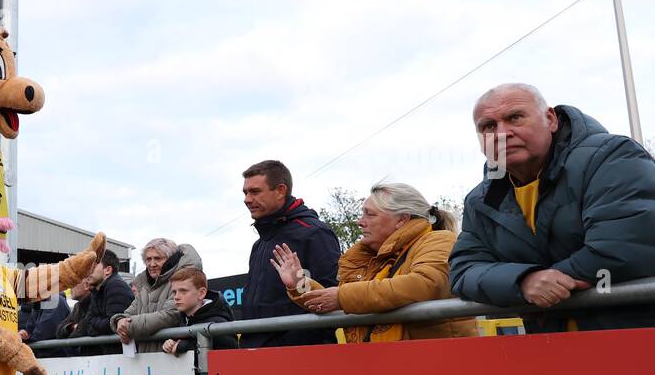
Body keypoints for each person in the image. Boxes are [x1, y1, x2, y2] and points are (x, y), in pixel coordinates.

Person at [449, 83, 655, 332]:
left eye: (515, 117)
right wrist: (523, 281)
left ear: (550, 119)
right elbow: (463, 271)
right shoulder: (480, 200)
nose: (502, 133)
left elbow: (623, 248)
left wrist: (544, 283)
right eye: (488, 126)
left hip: (635, 338)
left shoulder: (610, 157)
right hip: (552, 349)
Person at [275, 181, 477, 342]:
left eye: (370, 214)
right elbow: (342, 303)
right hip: (385, 365)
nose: (360, 221)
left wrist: (342, 297)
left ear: (402, 219)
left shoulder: (439, 240)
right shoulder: (372, 256)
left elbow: (425, 284)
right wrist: (300, 284)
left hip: (437, 365)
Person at [239, 159, 341, 348]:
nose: (247, 199)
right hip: (254, 353)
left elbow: (330, 298)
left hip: (301, 356)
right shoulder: (259, 243)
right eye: (245, 192)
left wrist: (299, 283)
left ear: (280, 191)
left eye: (255, 191)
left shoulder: (315, 233)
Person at [111, 238, 203, 352]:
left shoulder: (179, 282)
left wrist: (128, 326)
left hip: (173, 357)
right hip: (147, 359)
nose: (152, 264)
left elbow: (171, 315)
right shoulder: (144, 285)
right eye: (148, 259)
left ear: (170, 259)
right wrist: (119, 321)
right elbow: (129, 312)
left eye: (157, 258)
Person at [159, 266, 238, 355]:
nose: (176, 297)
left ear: (201, 293)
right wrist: (169, 345)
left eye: (183, 291)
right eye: (174, 292)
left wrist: (188, 347)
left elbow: (229, 357)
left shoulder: (219, 323)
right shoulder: (181, 319)